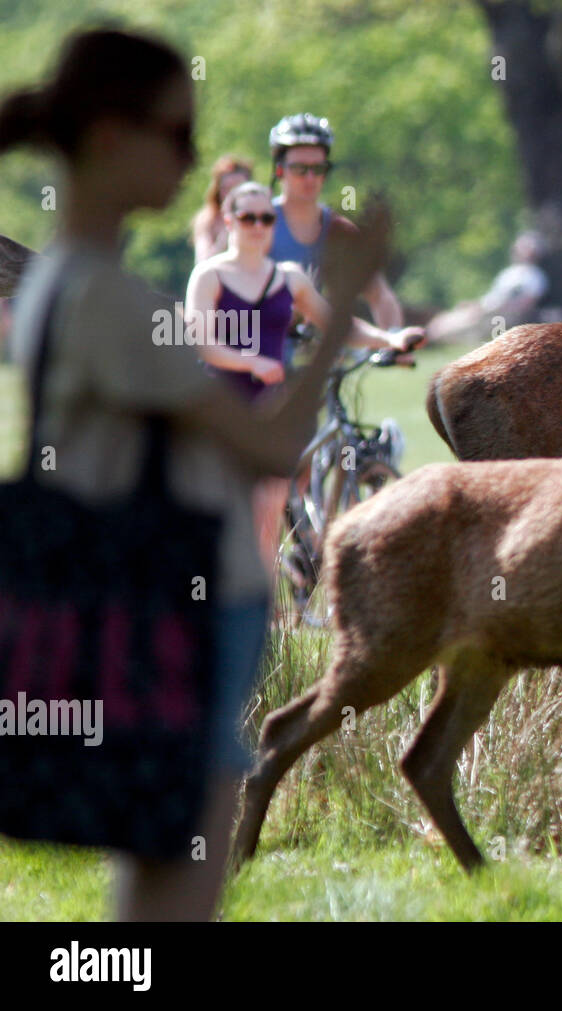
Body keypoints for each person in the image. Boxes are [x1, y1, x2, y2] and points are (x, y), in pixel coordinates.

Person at [0, 26, 398, 921]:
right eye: (176, 135)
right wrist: (345, 301)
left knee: (145, 893)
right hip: (177, 614)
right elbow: (265, 446)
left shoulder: (62, 281)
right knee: (174, 897)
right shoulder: (110, 299)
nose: (193, 160)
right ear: (109, 138)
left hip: (143, 605)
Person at [185, 179, 423, 571]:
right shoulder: (210, 276)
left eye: (266, 218)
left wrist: (389, 338)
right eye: (248, 218)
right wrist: (251, 361)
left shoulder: (289, 278)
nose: (258, 226)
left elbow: (338, 326)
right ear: (229, 220)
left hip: (273, 413)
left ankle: (264, 621)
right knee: (220, 518)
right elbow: (201, 341)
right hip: (222, 411)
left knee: (266, 518)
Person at [267, 113, 403, 329]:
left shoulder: (340, 230)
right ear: (280, 170)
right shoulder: (256, 222)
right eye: (300, 169)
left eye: (318, 169)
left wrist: (395, 338)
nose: (310, 178)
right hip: (257, 353)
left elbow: (380, 295)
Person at [426, 230, 550, 343]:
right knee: (444, 319)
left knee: (452, 326)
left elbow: (524, 305)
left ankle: (428, 340)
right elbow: (493, 296)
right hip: (485, 310)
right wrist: (477, 304)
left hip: (498, 317)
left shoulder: (535, 277)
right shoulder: (509, 273)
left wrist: (486, 309)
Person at [191, 153, 252, 263]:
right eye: (227, 188)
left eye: (238, 188)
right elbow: (203, 261)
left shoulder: (262, 218)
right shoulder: (208, 219)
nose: (232, 194)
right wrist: (229, 228)